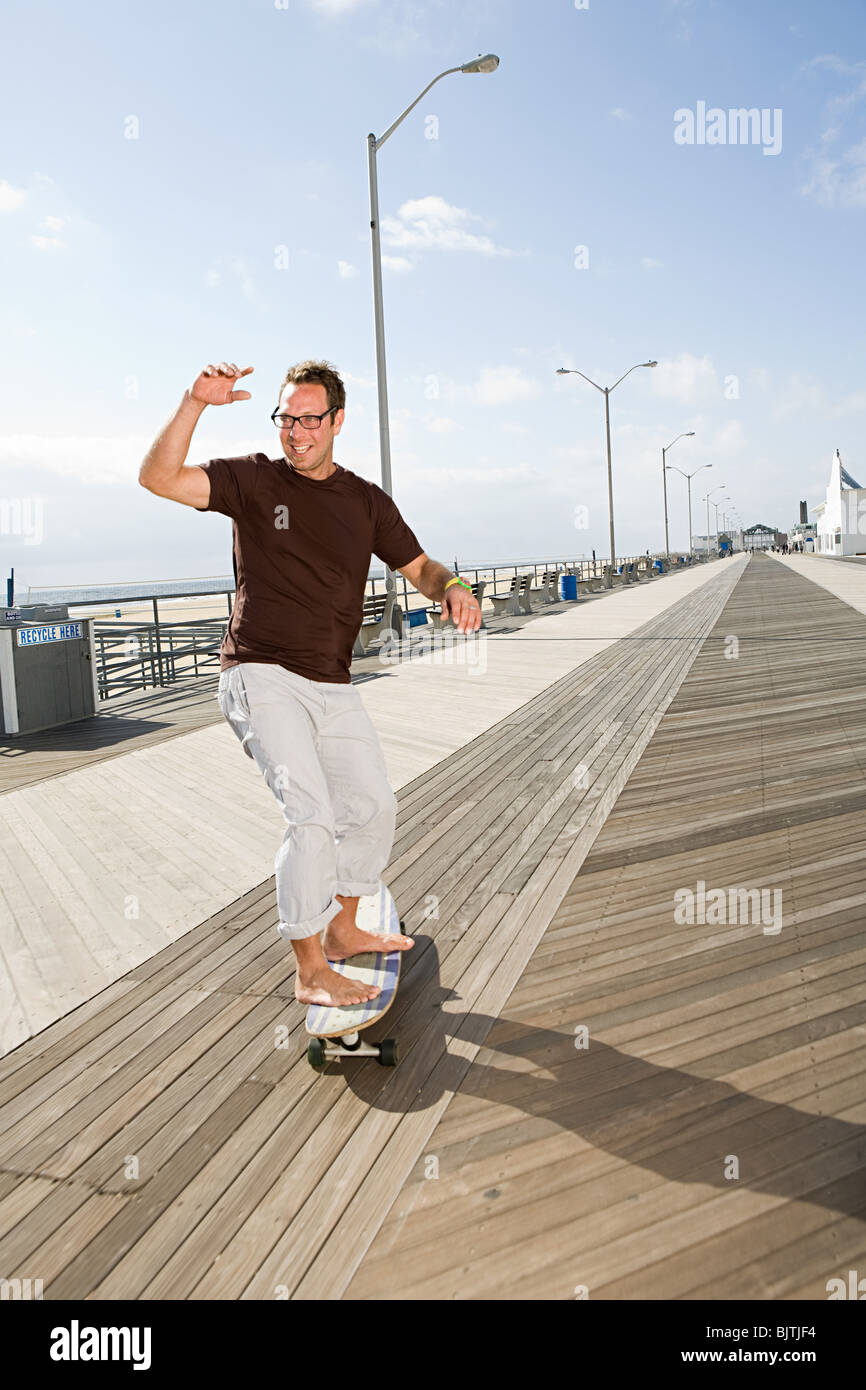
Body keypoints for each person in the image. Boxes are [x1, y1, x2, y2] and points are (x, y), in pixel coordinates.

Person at [139, 358, 482, 1008]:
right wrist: (194, 403)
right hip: (259, 673)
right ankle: (310, 967)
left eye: (309, 420)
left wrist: (455, 588)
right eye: (286, 419)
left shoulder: (365, 502)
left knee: (374, 808)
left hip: (331, 682)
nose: (296, 433)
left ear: (337, 421)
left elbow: (421, 567)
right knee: (312, 817)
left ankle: (346, 928)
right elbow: (157, 477)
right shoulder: (250, 480)